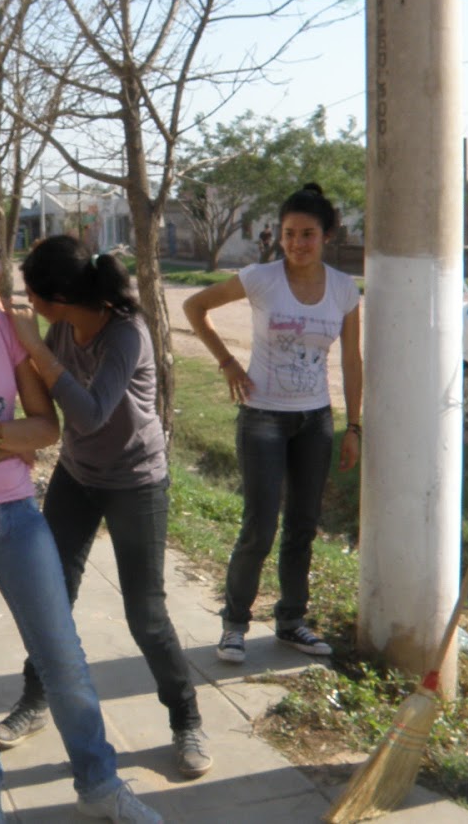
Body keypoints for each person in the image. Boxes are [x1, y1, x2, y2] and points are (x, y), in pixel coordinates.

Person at [0, 209, 161, 824]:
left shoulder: (8, 330)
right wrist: (2, 438)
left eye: (0, 257)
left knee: (62, 654)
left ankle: (99, 784)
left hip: (17, 514)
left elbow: (48, 428)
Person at [0, 235, 212, 779]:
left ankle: (186, 720)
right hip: (78, 474)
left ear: (59, 297)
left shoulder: (126, 334)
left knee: (146, 613)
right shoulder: (64, 325)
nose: (29, 304)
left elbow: (89, 415)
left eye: (32, 295)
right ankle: (35, 700)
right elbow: (52, 403)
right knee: (51, 593)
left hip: (136, 481)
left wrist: (35, 347)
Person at [181, 182, 363, 666]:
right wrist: (226, 362)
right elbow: (194, 307)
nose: (297, 244)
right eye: (288, 234)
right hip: (262, 419)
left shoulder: (345, 290)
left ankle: (291, 621)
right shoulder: (261, 278)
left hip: (315, 422)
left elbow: (352, 362)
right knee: (259, 526)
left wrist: (354, 427)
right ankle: (235, 625)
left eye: (307, 234)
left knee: (302, 526)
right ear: (277, 236)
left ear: (327, 235)